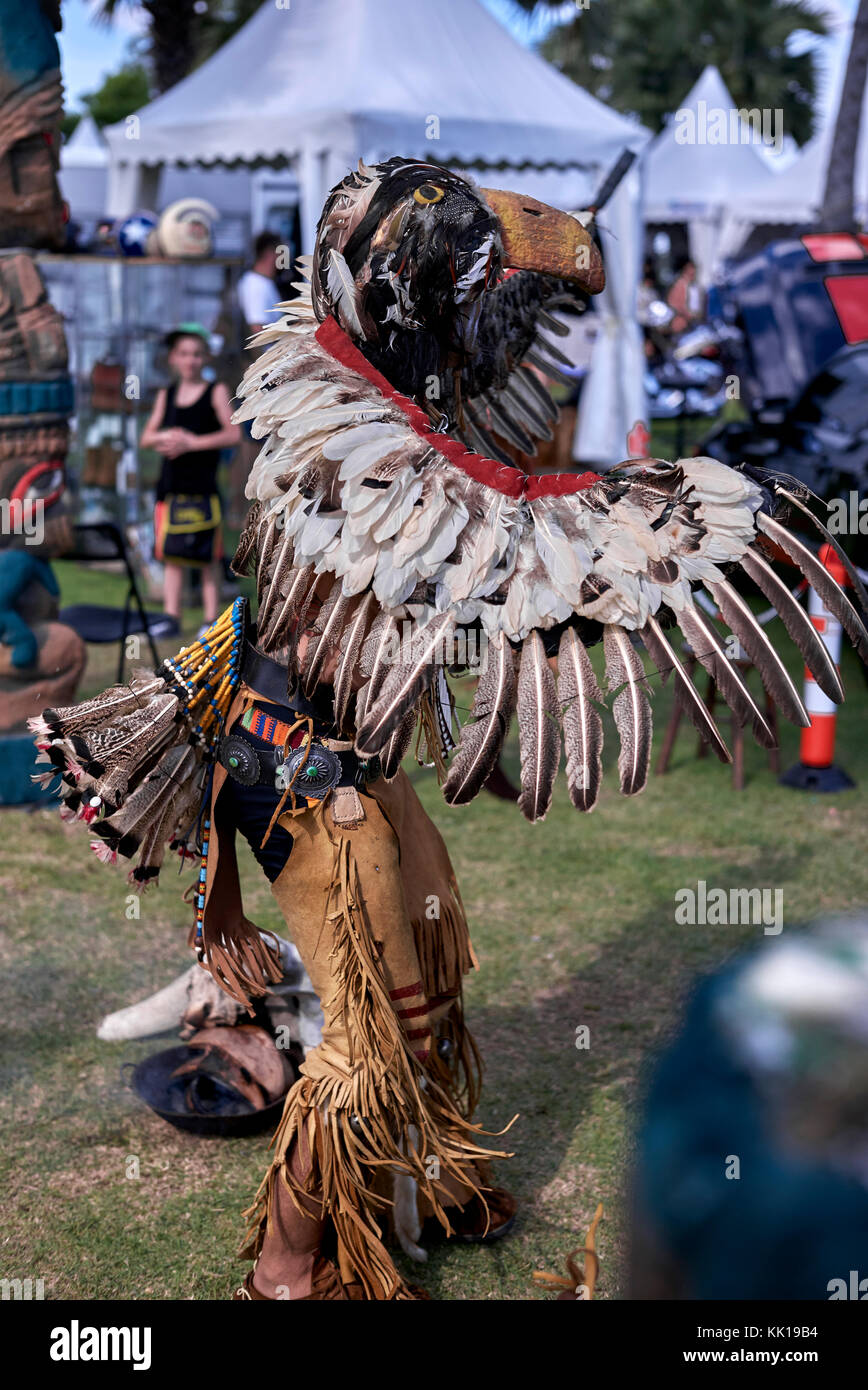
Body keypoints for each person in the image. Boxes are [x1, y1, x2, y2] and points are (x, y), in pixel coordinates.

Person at [141, 324, 240, 631]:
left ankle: (210, 619)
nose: (190, 361)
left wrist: (192, 443)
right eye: (184, 354)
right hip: (170, 489)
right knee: (172, 555)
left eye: (196, 354)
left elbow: (233, 433)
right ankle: (172, 618)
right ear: (173, 358)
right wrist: (167, 437)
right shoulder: (166, 395)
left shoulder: (216, 391)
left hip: (203, 487)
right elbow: (146, 438)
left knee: (207, 557)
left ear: (205, 358)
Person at [237, 230, 282, 338]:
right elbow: (257, 329)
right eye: (282, 252)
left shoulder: (262, 282)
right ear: (269, 254)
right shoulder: (255, 284)